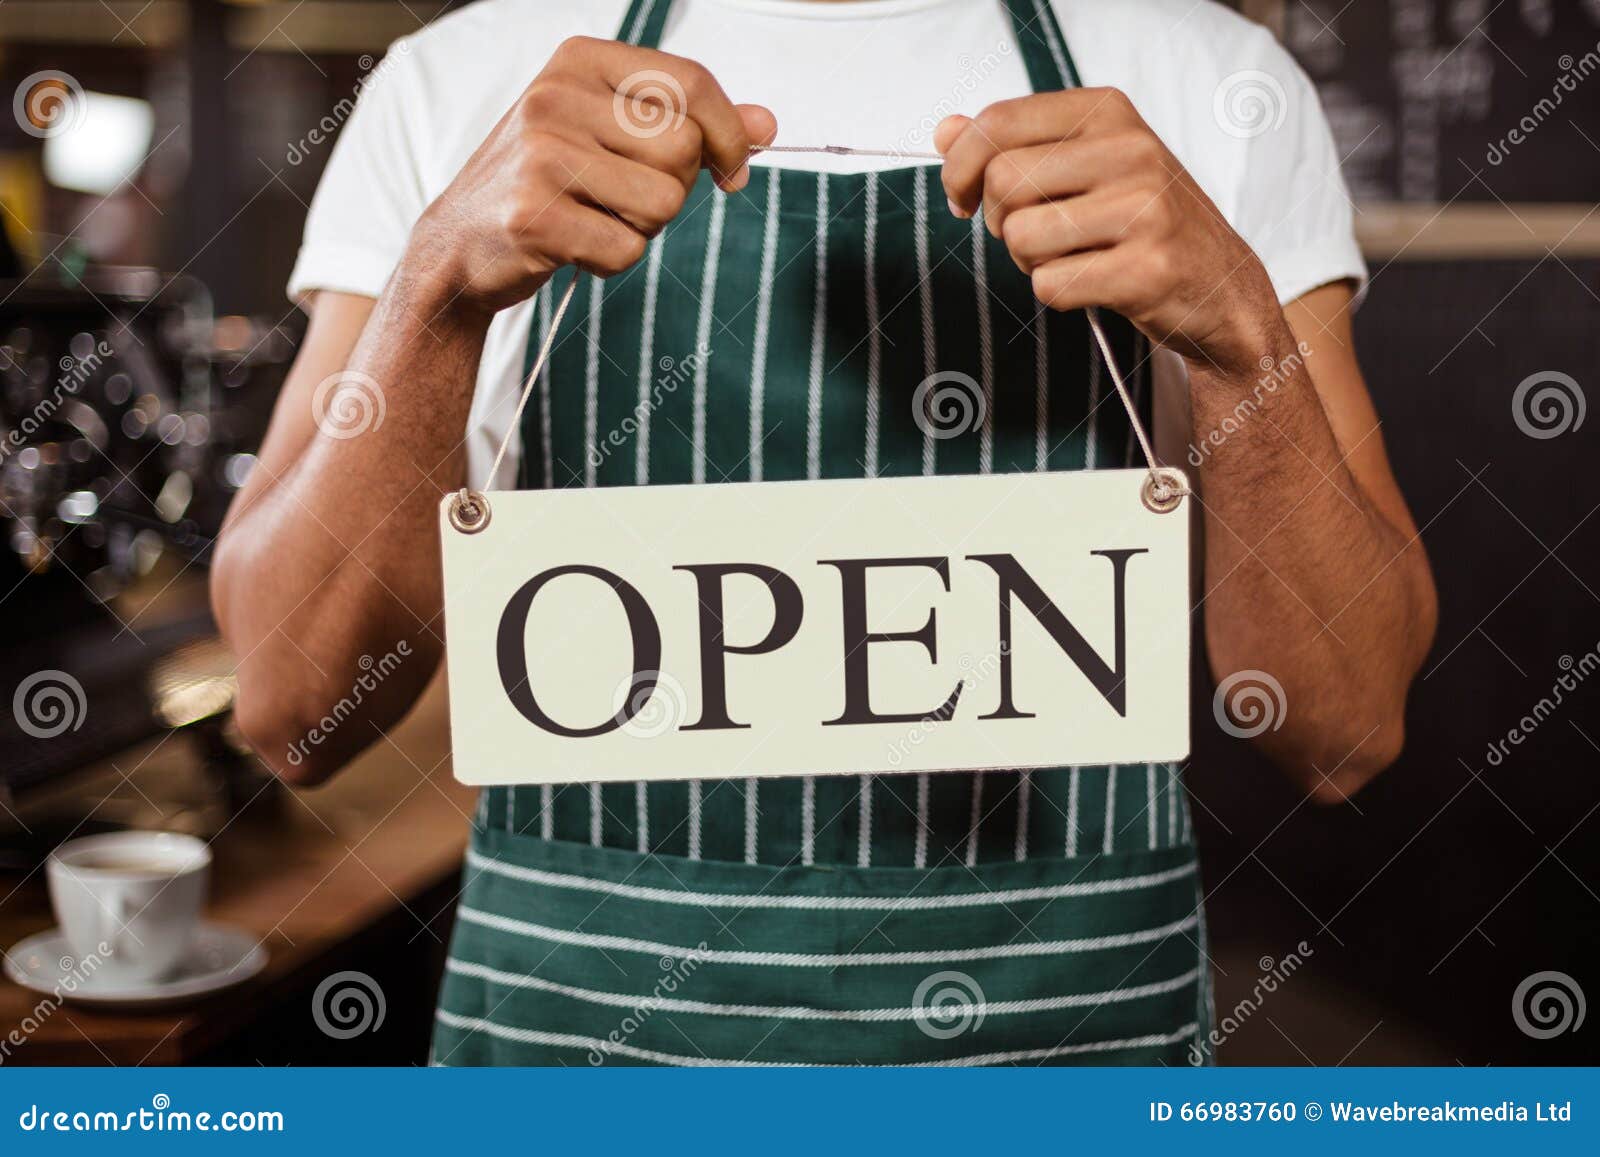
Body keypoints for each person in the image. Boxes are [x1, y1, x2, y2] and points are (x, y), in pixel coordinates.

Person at [211, 0, 1437, 1065]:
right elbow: (289, 708)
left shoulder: (1214, 85)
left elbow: (1340, 726)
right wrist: (434, 292)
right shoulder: (456, 85)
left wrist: (1237, 334)